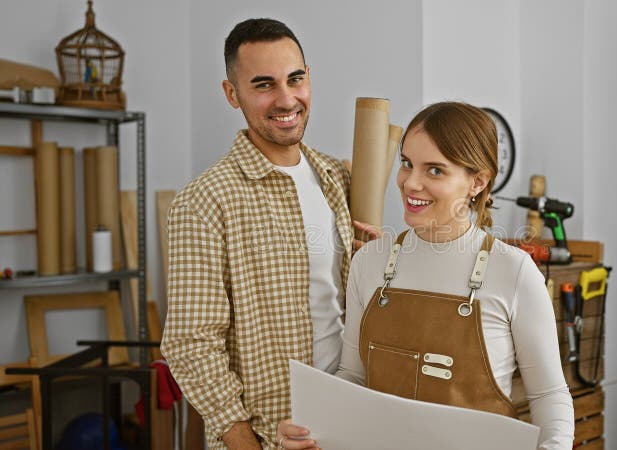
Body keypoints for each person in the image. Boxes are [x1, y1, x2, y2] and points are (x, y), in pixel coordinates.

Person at [278, 102, 575, 450]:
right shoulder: (370, 262)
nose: (410, 183)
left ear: (477, 182)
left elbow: (549, 396)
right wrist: (313, 430)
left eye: (435, 170)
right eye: (407, 164)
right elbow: (353, 378)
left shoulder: (514, 272)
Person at [161, 18, 376, 450]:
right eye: (263, 85)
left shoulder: (338, 177)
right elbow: (191, 343)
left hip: (348, 420)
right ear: (231, 94)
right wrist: (248, 445)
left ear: (308, 78)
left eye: (295, 79)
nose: (286, 99)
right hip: (267, 436)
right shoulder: (204, 202)